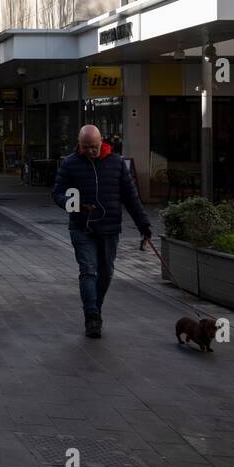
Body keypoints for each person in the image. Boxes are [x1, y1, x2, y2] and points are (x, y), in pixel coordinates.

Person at [51, 124, 152, 339]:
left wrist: (144, 224)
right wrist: (72, 203)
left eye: (94, 147)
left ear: (102, 142)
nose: (90, 151)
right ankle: (92, 316)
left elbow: (131, 197)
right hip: (81, 227)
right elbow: (57, 192)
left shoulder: (116, 164)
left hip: (109, 228)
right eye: (85, 147)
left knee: (106, 273)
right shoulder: (70, 164)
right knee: (88, 270)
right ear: (79, 144)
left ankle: (96, 307)